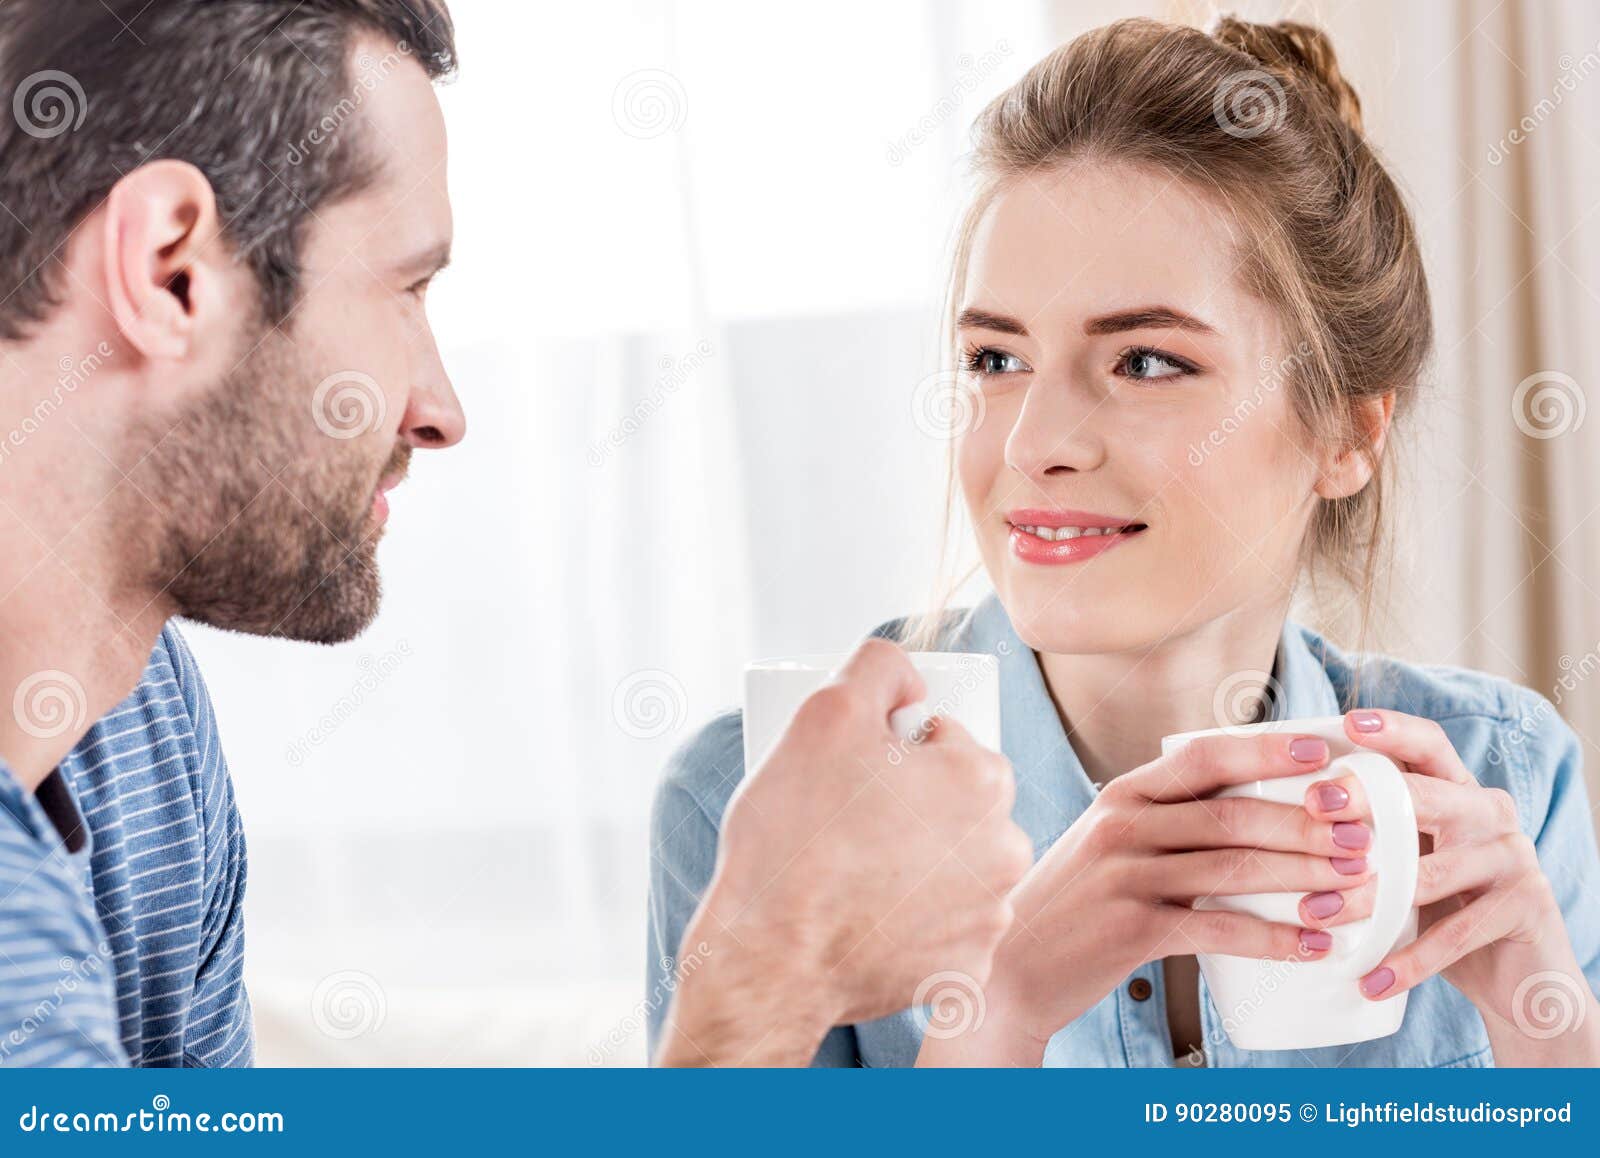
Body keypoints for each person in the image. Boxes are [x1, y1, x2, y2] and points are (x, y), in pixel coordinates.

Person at [0, 0, 1030, 1068]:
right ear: (169, 270)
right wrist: (770, 977)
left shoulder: (140, 734)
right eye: (406, 288)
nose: (440, 409)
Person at [647, 16, 1600, 1067]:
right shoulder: (763, 808)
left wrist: (1544, 1032)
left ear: (1344, 432)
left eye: (1144, 362)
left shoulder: (1502, 775)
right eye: (996, 358)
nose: (1033, 443)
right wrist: (997, 1012)